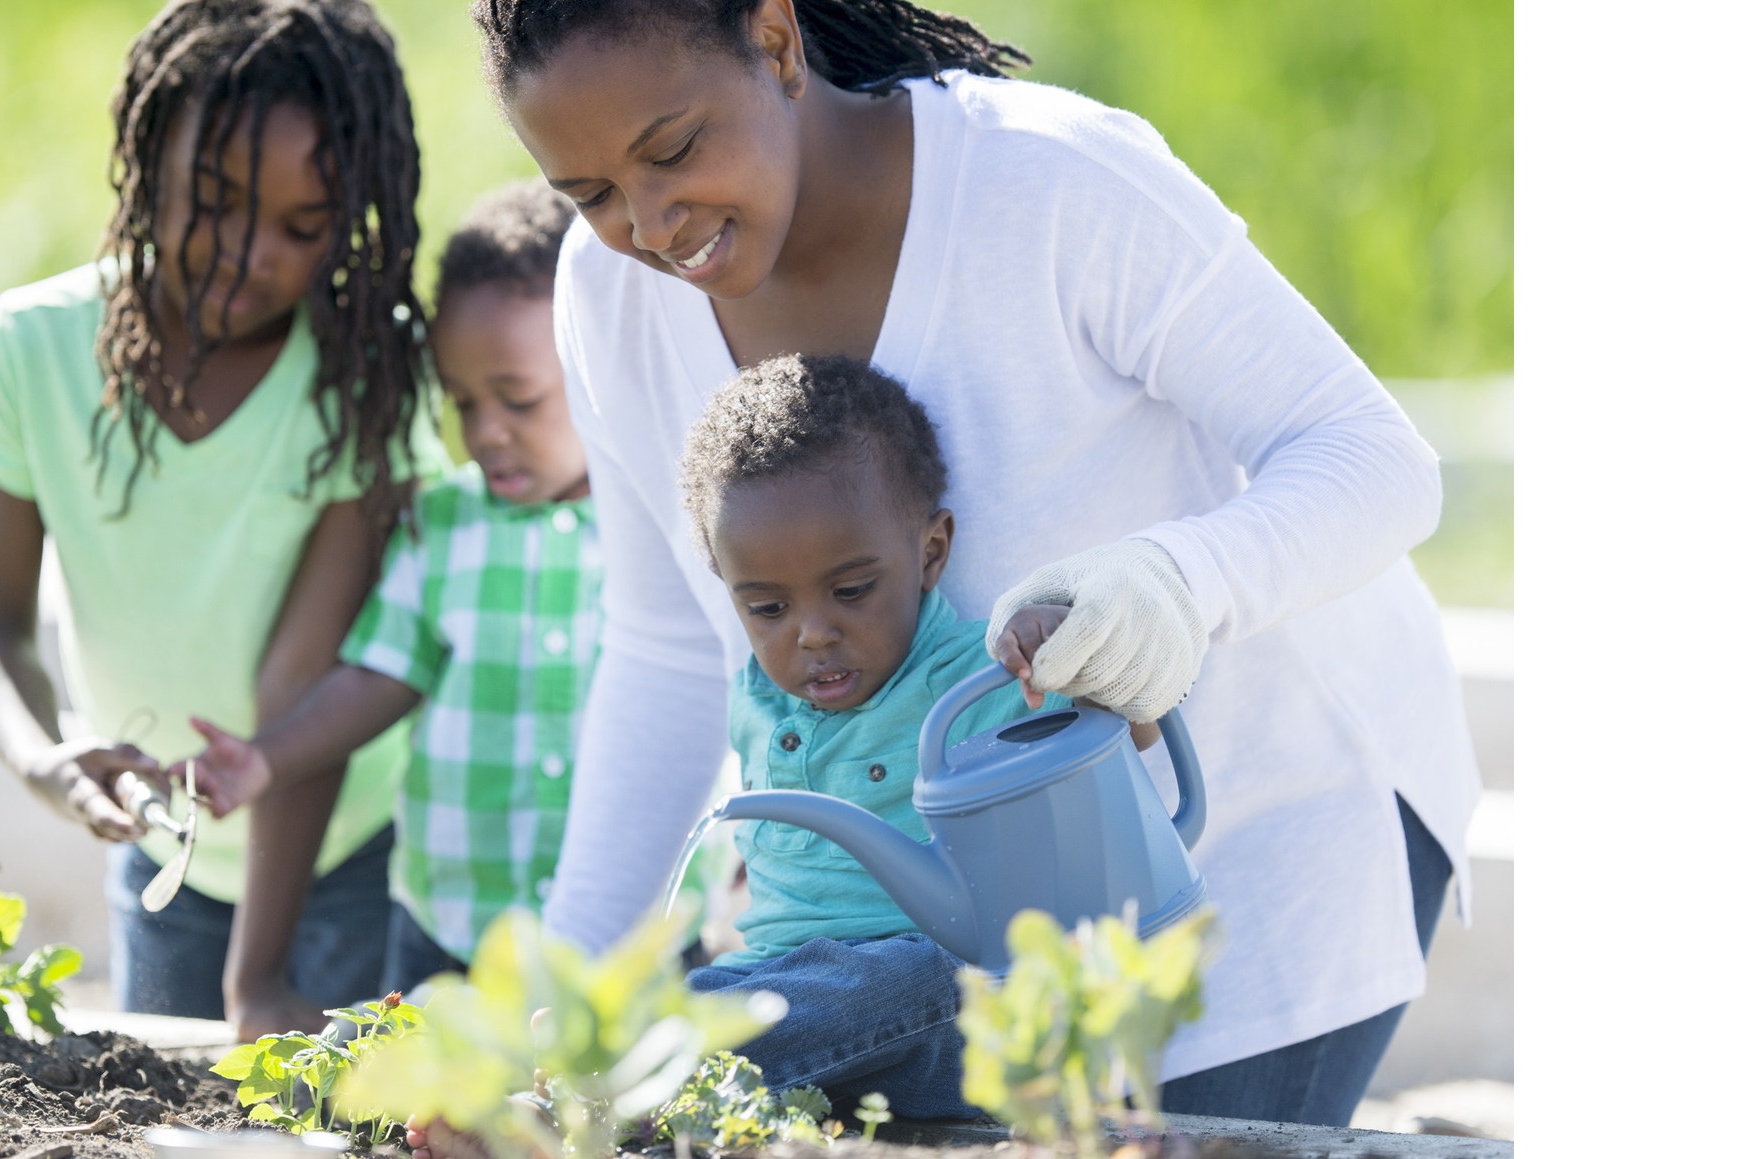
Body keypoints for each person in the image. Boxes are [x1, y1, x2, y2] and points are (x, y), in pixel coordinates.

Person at [470, 0, 1476, 1128]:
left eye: (673, 150)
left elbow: (1376, 457)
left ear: (776, 41)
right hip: (968, 924)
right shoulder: (607, 299)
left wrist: (1177, 583)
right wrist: (560, 998)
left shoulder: (1049, 183)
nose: (651, 225)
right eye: (592, 195)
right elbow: (664, 651)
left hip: (1268, 821)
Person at [0, 0, 446, 1041]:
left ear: (352, 216)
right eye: (211, 201)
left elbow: (303, 687)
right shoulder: (28, 353)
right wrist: (48, 761)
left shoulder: (366, 373)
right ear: (145, 163)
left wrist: (257, 975)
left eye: (302, 229)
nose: (243, 254)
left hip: (349, 857)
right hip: (163, 853)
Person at [183, 181, 720, 996]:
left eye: (519, 397)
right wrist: (265, 759)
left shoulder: (667, 522)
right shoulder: (443, 527)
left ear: (598, 367)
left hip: (638, 929)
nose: (486, 430)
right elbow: (377, 676)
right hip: (453, 929)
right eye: (463, 402)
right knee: (430, 1118)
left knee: (627, 1118)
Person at [677, 352, 1173, 1116]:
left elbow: (1132, 735)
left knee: (908, 975)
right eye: (767, 608)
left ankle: (632, 1081)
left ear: (930, 552)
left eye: (850, 591)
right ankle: (599, 1078)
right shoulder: (754, 691)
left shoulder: (974, 677)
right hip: (798, 1000)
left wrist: (1070, 649)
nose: (811, 633)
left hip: (961, 1026)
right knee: (705, 988)